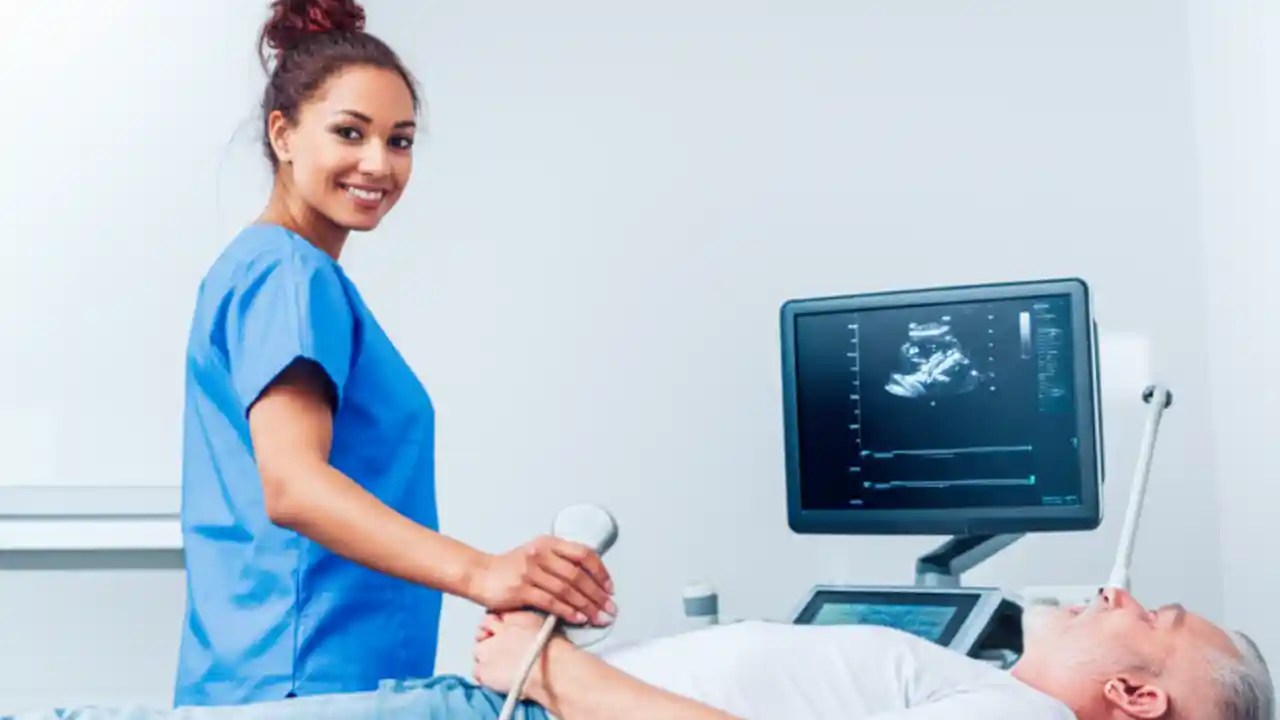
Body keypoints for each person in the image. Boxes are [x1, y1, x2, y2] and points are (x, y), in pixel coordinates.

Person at [175, 0, 615, 707]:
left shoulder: (273, 270)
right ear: (282, 135)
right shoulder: (288, 274)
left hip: (288, 678)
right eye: (350, 133)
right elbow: (292, 485)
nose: (377, 164)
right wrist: (484, 574)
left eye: (400, 141)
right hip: (302, 683)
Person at [470, 588, 1275, 719]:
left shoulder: (1028, 714)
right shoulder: (993, 690)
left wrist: (556, 673)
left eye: (1152, 615)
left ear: (1134, 697)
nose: (1117, 594)